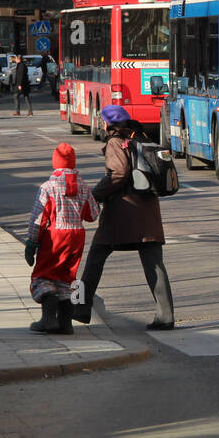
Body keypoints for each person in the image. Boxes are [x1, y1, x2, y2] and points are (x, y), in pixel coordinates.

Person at [74, 105, 174, 330]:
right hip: (148, 211)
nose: (101, 124)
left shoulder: (115, 142)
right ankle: (165, 316)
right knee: (154, 264)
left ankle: (79, 308)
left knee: (95, 259)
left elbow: (117, 174)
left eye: (103, 120)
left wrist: (93, 195)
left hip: (122, 213)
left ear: (109, 123)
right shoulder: (140, 136)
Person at [25, 143, 99, 334]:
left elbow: (38, 218)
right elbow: (93, 214)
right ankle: (66, 324)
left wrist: (31, 243)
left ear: (55, 163)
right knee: (67, 278)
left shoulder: (48, 187)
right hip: (77, 237)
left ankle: (48, 319)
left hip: (55, 237)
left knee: (44, 275)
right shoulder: (83, 185)